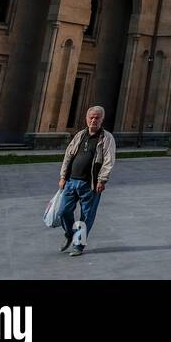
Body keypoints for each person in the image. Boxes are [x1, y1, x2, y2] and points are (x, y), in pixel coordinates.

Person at [56, 105, 116, 256]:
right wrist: (63, 176)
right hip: (71, 182)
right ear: (86, 118)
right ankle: (70, 233)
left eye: (97, 118)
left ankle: (78, 245)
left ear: (102, 120)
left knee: (86, 216)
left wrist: (102, 180)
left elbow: (109, 160)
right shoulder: (80, 135)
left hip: (90, 184)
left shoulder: (106, 138)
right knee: (63, 211)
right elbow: (68, 155)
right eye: (91, 117)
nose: (94, 120)